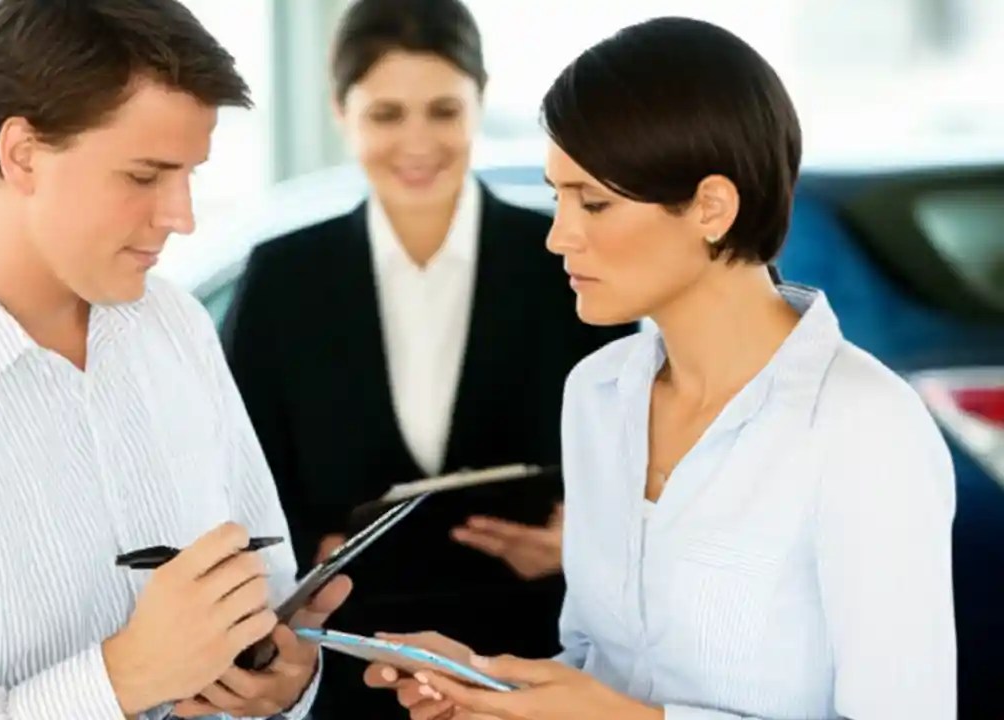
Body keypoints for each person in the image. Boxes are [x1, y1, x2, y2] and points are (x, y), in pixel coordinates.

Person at [365, 16, 957, 720]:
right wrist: (494, 689)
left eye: (594, 203)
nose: (559, 235)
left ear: (711, 206)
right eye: (557, 197)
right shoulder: (598, 394)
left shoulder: (863, 425)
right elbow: (599, 666)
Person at [0, 1, 350, 717]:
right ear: (22, 154)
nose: (182, 215)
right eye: (145, 175)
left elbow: (264, 585)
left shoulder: (176, 327)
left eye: (190, 175)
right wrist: (119, 682)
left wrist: (286, 682)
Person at [220, 0, 632, 717]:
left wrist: (586, 545)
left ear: (480, 103)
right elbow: (231, 475)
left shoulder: (568, 266)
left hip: (534, 670)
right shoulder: (283, 278)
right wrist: (294, 556)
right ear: (340, 113)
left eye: (443, 111)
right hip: (345, 671)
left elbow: (645, 468)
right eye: (386, 114)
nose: (417, 142)